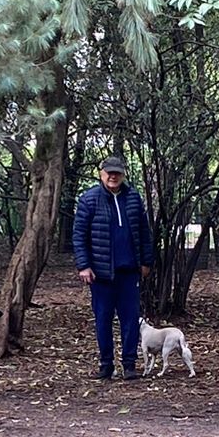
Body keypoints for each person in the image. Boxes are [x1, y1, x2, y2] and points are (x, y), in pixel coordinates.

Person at [72, 154, 154, 380]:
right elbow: (79, 236)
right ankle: (106, 364)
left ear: (123, 174)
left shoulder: (133, 198)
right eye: (109, 172)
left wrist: (146, 261)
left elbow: (144, 233)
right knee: (103, 320)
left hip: (129, 272)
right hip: (101, 274)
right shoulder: (89, 200)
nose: (113, 176)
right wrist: (84, 265)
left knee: (130, 319)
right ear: (101, 174)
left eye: (117, 172)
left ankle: (130, 364)